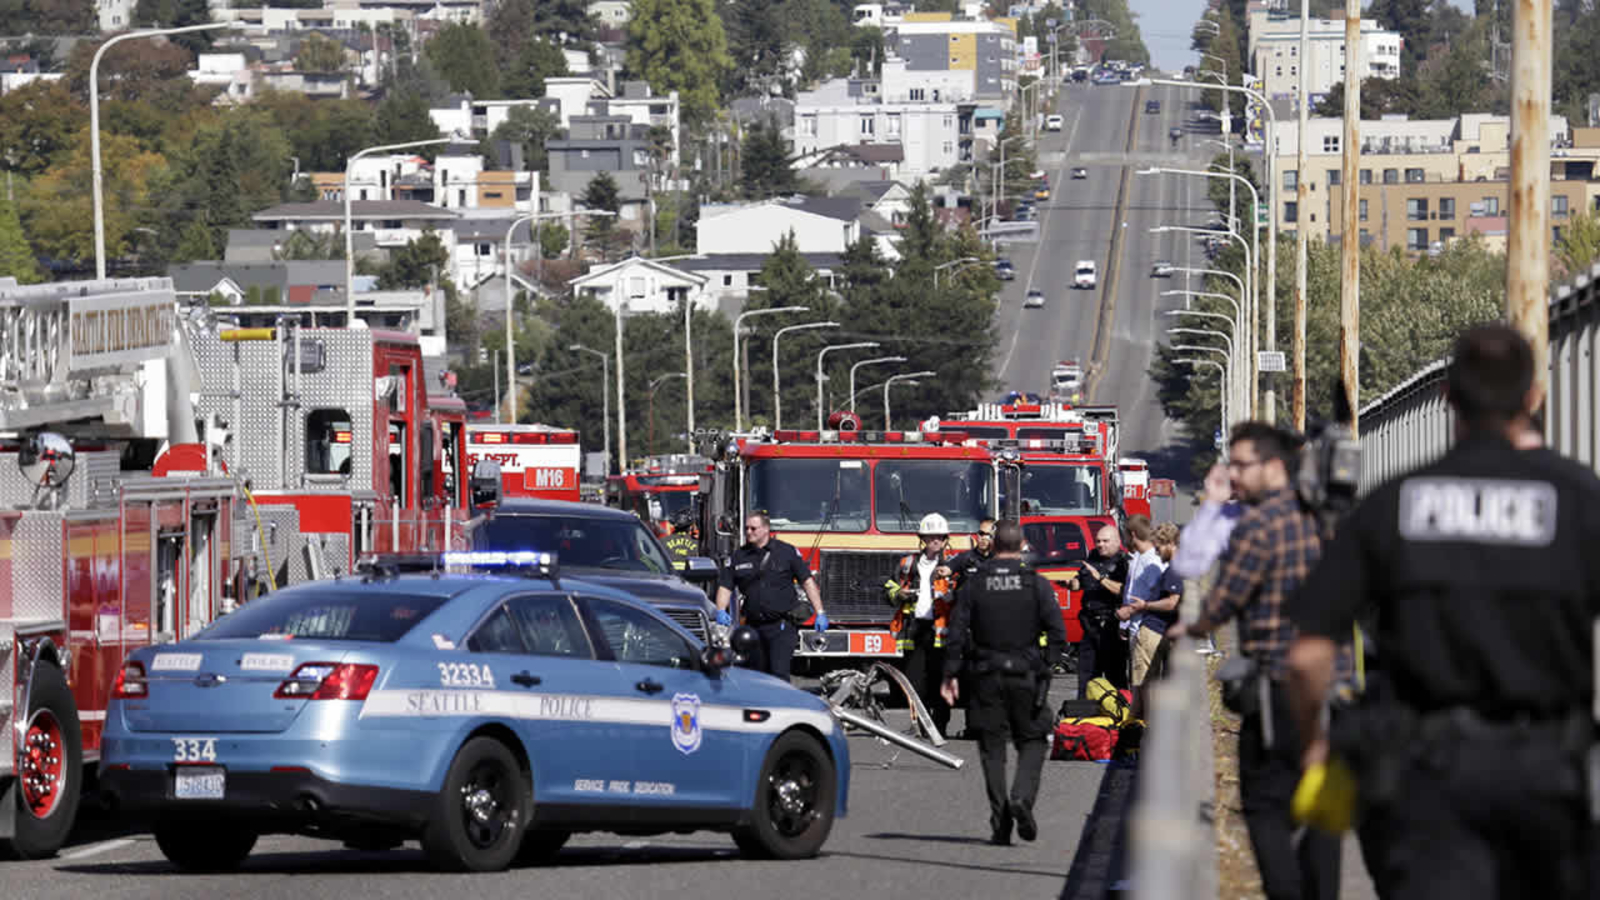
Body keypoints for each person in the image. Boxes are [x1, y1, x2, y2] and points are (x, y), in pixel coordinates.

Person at [1286, 324, 1597, 899]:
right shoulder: (1579, 501)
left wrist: (1314, 745)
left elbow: (1307, 658)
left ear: (1447, 396)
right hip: (1546, 777)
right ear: (1533, 397)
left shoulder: (1394, 504)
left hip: (1426, 779)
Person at [1166, 421, 1345, 900]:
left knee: (1266, 807)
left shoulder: (1260, 525)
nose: (1233, 474)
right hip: (1335, 687)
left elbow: (1222, 598)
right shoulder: (1327, 515)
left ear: (1272, 465)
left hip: (1279, 691)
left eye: (1241, 464)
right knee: (1323, 814)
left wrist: (1196, 625)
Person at [940, 519, 1068, 846]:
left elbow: (955, 632)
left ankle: (1001, 824)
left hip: (985, 675)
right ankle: (1021, 796)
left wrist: (950, 675)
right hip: (1025, 673)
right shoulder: (1035, 584)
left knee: (992, 750)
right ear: (1022, 545)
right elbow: (1057, 631)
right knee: (1034, 739)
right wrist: (1048, 665)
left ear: (994, 545)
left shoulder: (975, 583)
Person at [714, 511, 828, 681]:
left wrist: (820, 612)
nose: (749, 532)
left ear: (766, 529)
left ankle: (781, 707)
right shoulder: (739, 556)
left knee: (778, 674)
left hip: (781, 626)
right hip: (753, 626)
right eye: (746, 528)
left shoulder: (786, 552)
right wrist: (720, 610)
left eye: (754, 528)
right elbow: (725, 586)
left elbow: (807, 582)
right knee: (755, 675)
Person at [885, 512, 962, 737]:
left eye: (939, 536)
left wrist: (950, 594)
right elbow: (888, 587)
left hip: (942, 632)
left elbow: (964, 598)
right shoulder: (908, 563)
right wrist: (899, 594)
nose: (935, 540)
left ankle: (939, 727)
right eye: (930, 536)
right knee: (915, 682)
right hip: (914, 629)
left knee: (940, 681)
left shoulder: (953, 565)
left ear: (946, 539)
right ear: (923, 539)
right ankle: (919, 725)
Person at [1065, 524, 1129, 694]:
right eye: (1098, 541)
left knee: (1115, 677)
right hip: (1090, 626)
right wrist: (1073, 584)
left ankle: (1120, 712)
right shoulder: (1093, 557)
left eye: (1105, 541)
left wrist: (1100, 578)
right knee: (1087, 677)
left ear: (1117, 542)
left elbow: (1123, 591)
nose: (1100, 545)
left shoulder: (1123, 563)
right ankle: (1085, 713)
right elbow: (1081, 580)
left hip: (1111, 627)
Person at [1126, 522, 1181, 685]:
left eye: (1158, 548)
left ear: (1170, 544)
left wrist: (1145, 605)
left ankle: (1144, 711)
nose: (1157, 553)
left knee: (1143, 684)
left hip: (1152, 629)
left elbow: (1172, 603)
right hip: (1164, 631)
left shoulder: (1174, 570)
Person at [946, 517, 997, 590]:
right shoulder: (965, 557)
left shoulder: (999, 560)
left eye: (988, 535)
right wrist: (944, 570)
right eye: (981, 533)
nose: (983, 538)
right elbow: (948, 568)